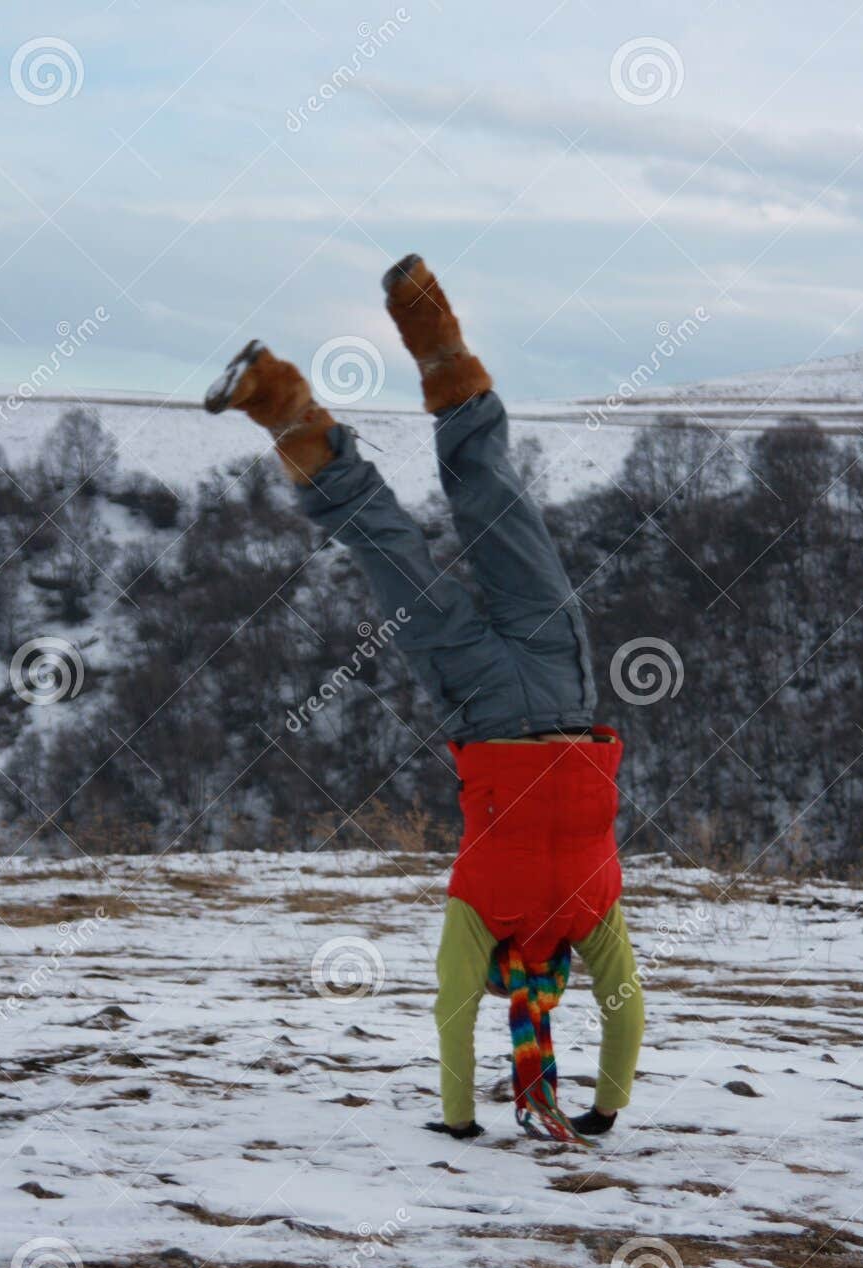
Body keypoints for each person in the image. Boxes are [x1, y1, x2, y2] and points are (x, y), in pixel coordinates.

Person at [204, 256, 644, 1145]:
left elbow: (628, 1012)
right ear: (499, 972)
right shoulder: (476, 911)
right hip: (480, 704)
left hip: (559, 682)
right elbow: (453, 1014)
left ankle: (434, 342)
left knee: (495, 502)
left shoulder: (595, 910)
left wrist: (607, 1103)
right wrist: (462, 1121)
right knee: (387, 547)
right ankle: (278, 400)